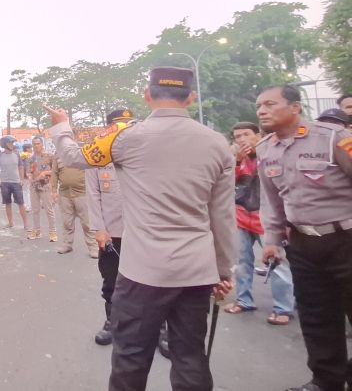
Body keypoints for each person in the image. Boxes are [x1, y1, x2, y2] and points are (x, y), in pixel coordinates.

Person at [46, 66, 236, 391]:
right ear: (191, 97)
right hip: (196, 272)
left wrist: (62, 125)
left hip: (142, 273)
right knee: (190, 357)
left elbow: (73, 157)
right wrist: (223, 270)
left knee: (131, 357)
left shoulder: (124, 139)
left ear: (147, 96)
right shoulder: (217, 144)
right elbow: (221, 216)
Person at [256, 85, 352, 391]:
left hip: (346, 240)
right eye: (258, 106)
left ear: (295, 107)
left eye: (270, 104)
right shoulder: (264, 149)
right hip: (303, 245)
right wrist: (271, 240)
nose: (261, 110)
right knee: (316, 318)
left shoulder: (333, 138)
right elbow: (271, 201)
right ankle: (327, 381)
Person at [222, 122, 294, 324]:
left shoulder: (270, 154)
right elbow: (227, 184)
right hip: (241, 216)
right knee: (241, 263)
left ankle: (283, 308)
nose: (242, 139)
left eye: (246, 134)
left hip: (267, 219)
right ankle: (244, 301)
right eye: (237, 137)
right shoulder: (236, 159)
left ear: (258, 135)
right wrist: (236, 161)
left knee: (277, 263)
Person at [85, 108, 133, 344]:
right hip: (112, 233)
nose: (124, 130)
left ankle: (160, 328)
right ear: (109, 129)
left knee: (155, 282)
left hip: (144, 233)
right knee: (112, 280)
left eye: (128, 124)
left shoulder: (142, 153)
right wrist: (99, 229)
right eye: (119, 125)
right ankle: (112, 323)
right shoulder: (98, 157)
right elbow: (93, 195)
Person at [51, 153, 99, 257]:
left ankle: (93, 247)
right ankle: (67, 244)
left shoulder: (82, 152)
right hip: (64, 194)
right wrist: (54, 190)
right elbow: (54, 173)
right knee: (67, 222)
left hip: (82, 193)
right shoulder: (58, 155)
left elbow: (92, 171)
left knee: (87, 223)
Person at [0, 135, 30, 236]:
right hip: (4, 183)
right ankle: (10, 223)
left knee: (21, 203)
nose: (12, 145)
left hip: (16, 182)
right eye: (10, 143)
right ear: (5, 144)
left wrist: (21, 179)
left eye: (12, 143)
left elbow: (21, 167)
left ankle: (26, 224)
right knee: (7, 203)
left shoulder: (16, 154)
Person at [28, 136, 57, 241]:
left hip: (45, 185)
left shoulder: (49, 156)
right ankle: (36, 231)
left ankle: (53, 232)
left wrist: (45, 173)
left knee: (49, 210)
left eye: (38, 143)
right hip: (34, 186)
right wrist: (30, 177)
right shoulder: (31, 158)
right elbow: (29, 171)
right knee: (35, 210)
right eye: (34, 144)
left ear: (42, 144)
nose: (36, 146)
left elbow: (55, 170)